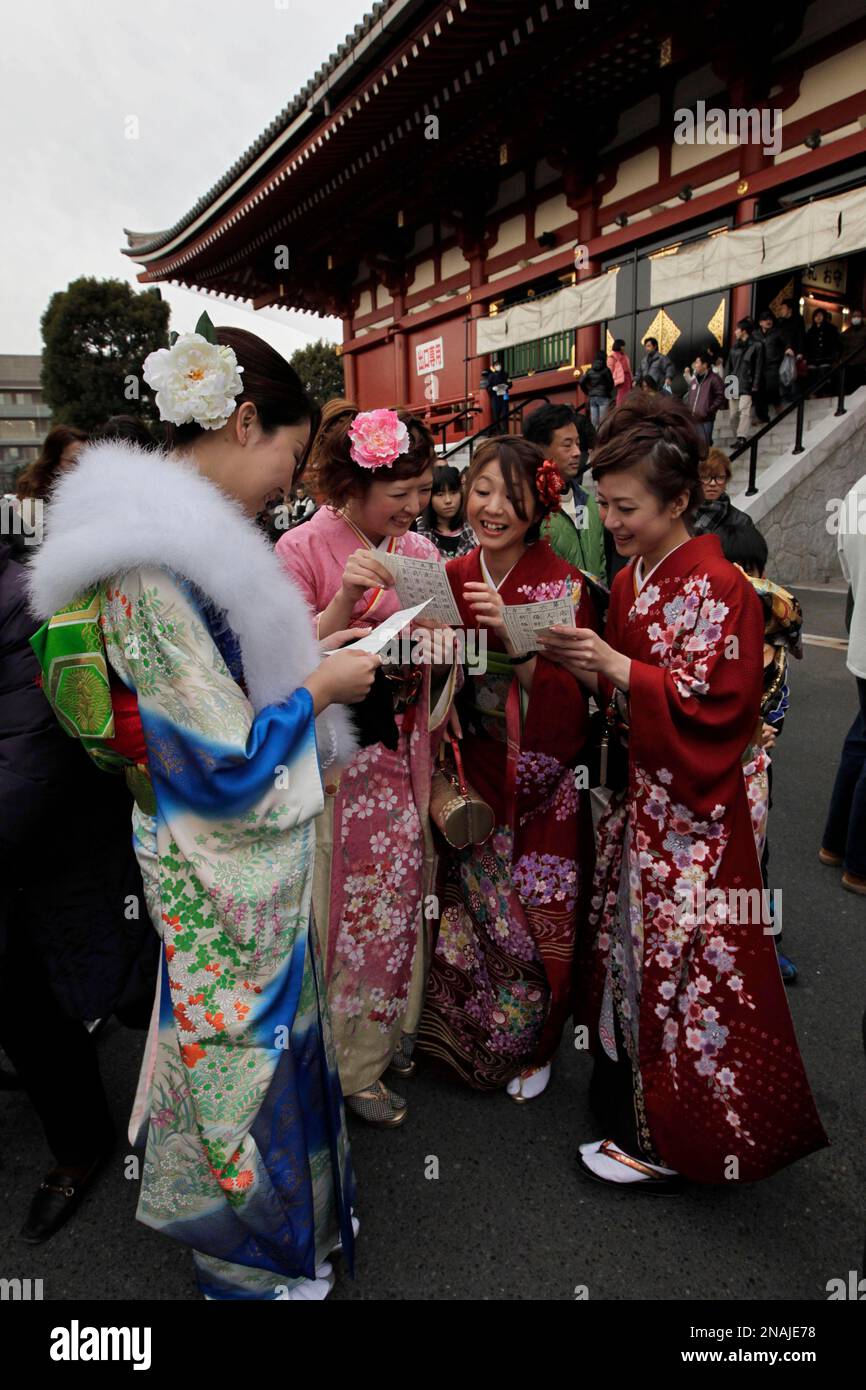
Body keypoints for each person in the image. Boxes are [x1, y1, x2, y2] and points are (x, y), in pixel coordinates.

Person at [28, 322, 375, 1300]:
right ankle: (250, 1260)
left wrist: (313, 647)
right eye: (291, 455)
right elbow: (220, 757)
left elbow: (212, 697)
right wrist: (319, 691)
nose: (291, 478)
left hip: (197, 833)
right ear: (243, 418)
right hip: (211, 840)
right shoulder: (155, 563)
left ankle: (286, 1230)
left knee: (248, 1038)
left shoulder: (170, 542)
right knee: (240, 1051)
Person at [536, 392, 826, 1188]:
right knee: (633, 960)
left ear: (679, 500)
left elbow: (719, 712)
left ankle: (679, 1140)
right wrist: (590, 664)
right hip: (642, 805)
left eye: (626, 507)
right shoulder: (632, 581)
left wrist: (617, 667)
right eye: (604, 504)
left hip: (693, 820)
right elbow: (627, 691)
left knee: (687, 970)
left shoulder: (723, 586)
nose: (612, 521)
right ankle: (638, 1108)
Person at [276, 401, 456, 1129]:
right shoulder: (300, 549)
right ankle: (332, 1062)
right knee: (333, 915)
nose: (415, 508)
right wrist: (345, 603)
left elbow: (452, 649)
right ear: (350, 484)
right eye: (400, 494)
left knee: (389, 907)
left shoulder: (418, 553)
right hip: (333, 770)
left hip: (398, 754)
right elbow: (279, 670)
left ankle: (376, 1049)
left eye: (422, 491)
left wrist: (442, 651)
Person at [417, 436, 597, 1102]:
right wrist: (437, 665)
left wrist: (518, 642)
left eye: (511, 497)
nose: (492, 508)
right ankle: (465, 1034)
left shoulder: (561, 584)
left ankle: (535, 1045)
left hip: (542, 780)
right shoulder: (454, 572)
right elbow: (433, 677)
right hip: (474, 765)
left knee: (531, 918)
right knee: (473, 914)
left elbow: (575, 698)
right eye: (481, 490)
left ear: (539, 505)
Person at [0, 540, 157, 1245]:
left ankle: (83, 1146)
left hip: (44, 852)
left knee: (49, 1001)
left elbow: (26, 764)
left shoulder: (20, 599)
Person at [726, 522, 803, 983]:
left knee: (761, 860)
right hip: (712, 773)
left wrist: (769, 729)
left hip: (757, 773)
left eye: (756, 571)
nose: (750, 583)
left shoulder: (777, 643)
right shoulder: (708, 636)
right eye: (739, 573)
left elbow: (781, 704)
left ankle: (767, 943)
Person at [820, 468, 866, 895]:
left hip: (863, 638)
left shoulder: (856, 492)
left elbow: (848, 568)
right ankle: (859, 863)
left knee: (860, 739)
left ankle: (835, 843)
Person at [523, 403, 606, 580]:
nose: (577, 452)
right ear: (540, 449)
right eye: (567, 445)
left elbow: (600, 559)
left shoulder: (586, 499)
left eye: (578, 443)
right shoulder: (530, 506)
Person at [692, 447, 754, 550]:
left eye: (719, 478)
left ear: (726, 481)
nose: (712, 483)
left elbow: (746, 562)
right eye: (706, 477)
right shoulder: (681, 514)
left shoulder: (741, 522)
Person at [415, 463, 477, 557]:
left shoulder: (474, 529)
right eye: (440, 494)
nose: (448, 500)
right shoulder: (418, 532)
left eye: (453, 493)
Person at [727, 318, 764, 447]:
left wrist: (755, 383)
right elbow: (729, 367)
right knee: (732, 415)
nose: (735, 332)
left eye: (737, 329)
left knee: (744, 411)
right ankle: (737, 435)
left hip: (747, 383)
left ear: (744, 331)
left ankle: (742, 437)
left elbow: (758, 366)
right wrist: (727, 384)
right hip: (733, 383)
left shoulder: (756, 345)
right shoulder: (734, 348)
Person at [686, 349, 725, 444]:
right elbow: (690, 397)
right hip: (693, 420)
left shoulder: (714, 378)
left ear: (705, 365)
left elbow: (721, 396)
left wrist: (709, 410)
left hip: (706, 420)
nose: (695, 365)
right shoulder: (694, 380)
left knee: (704, 448)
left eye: (697, 362)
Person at [754, 311, 786, 423]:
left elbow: (786, 343)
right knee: (759, 391)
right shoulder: (755, 335)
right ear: (760, 323)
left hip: (773, 364)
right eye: (765, 319)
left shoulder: (777, 333)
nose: (769, 321)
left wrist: (789, 349)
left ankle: (777, 405)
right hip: (759, 367)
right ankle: (762, 417)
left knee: (772, 386)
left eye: (770, 319)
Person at [804, 308, 841, 396]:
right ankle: (813, 394)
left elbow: (836, 344)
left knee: (824, 375)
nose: (818, 317)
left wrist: (835, 357)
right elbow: (807, 345)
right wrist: (806, 357)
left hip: (826, 358)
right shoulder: (810, 331)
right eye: (816, 316)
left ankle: (823, 394)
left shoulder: (831, 329)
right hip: (812, 359)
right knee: (812, 376)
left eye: (820, 315)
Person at [776, 297, 806, 404]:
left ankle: (794, 400)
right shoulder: (780, 322)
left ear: (789, 309)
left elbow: (801, 337)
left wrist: (799, 352)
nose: (781, 311)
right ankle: (784, 399)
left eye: (783, 308)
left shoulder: (798, 320)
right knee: (782, 376)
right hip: (783, 354)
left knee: (794, 378)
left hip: (795, 354)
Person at [578, 353, 615, 428]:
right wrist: (607, 391)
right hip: (603, 396)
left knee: (594, 422)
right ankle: (602, 438)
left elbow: (581, 381)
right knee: (603, 421)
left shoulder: (589, 370)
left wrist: (587, 392)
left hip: (592, 397)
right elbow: (611, 383)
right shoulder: (606, 370)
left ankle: (595, 437)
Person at [840, 308, 866, 393]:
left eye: (858, 316)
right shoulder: (847, 331)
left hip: (861, 364)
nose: (856, 318)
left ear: (862, 317)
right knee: (849, 389)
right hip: (848, 364)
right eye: (854, 316)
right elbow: (842, 347)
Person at [484, 359, 511, 431]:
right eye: (496, 365)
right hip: (495, 397)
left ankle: (505, 431)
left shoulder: (505, 374)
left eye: (499, 365)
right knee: (496, 415)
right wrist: (493, 388)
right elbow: (488, 388)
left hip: (505, 395)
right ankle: (498, 432)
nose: (498, 366)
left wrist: (507, 386)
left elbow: (510, 384)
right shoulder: (491, 376)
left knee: (505, 414)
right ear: (494, 367)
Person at [607, 338, 633, 406]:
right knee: (621, 396)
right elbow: (610, 369)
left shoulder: (625, 356)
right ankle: (620, 410)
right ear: (619, 346)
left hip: (627, 378)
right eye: (622, 345)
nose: (624, 347)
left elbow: (628, 368)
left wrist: (631, 378)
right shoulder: (612, 357)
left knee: (627, 395)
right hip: (620, 379)